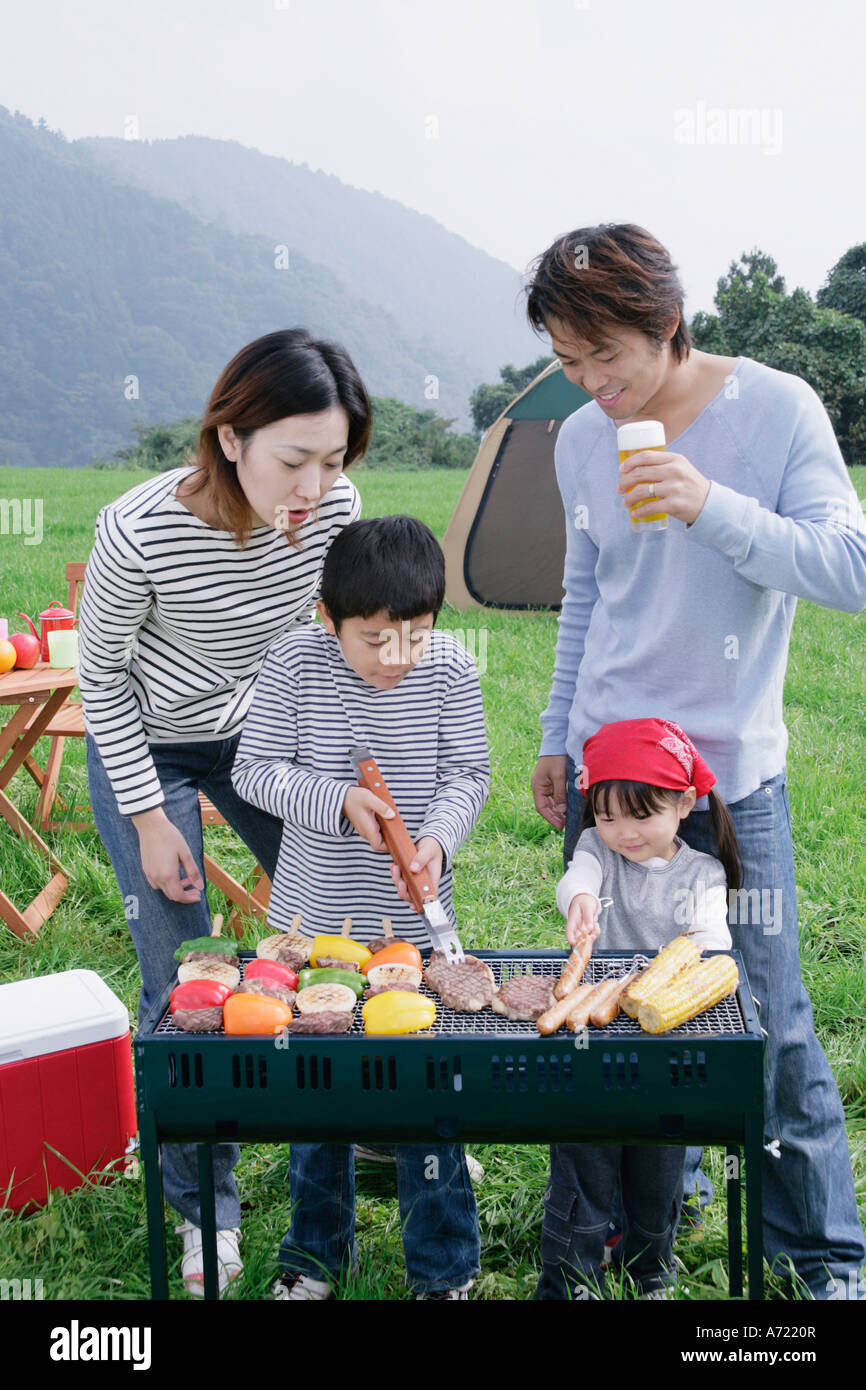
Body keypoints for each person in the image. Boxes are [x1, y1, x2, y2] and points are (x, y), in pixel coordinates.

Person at [525, 223, 866, 1299]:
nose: (590, 387)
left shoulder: (774, 409)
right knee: (617, 1002)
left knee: (762, 1026)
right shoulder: (577, 438)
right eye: (568, 363)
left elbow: (847, 565)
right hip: (606, 773)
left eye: (604, 359)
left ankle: (823, 1265)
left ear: (666, 324)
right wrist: (553, 734)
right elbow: (587, 597)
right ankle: (635, 1233)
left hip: (722, 788)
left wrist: (708, 505)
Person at [78, 328, 371, 1296]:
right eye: (295, 460)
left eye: (333, 460)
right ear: (230, 436)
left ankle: (372, 1118)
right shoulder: (138, 528)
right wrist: (151, 817)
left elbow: (323, 650)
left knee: (346, 922)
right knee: (187, 976)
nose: (316, 486)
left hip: (256, 737)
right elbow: (100, 674)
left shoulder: (333, 513)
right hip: (145, 744)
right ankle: (208, 1212)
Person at [231, 515, 489, 1299]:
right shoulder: (293, 664)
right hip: (314, 921)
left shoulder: (449, 668)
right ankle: (313, 1256)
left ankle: (444, 1268)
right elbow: (255, 771)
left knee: (425, 1091)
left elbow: (468, 774)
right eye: (374, 639)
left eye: (415, 633)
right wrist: (338, 800)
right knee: (316, 1091)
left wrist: (438, 841)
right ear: (328, 617)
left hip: (415, 924)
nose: (397, 656)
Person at [536, 717, 740, 1300]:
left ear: (683, 804)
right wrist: (578, 901)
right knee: (583, 1144)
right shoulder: (597, 848)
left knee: (658, 1152)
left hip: (662, 1038)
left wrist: (693, 949)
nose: (622, 831)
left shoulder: (702, 871)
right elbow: (580, 875)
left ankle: (650, 1264)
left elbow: (710, 937)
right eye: (606, 815)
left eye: (641, 814)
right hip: (594, 1030)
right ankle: (576, 1266)